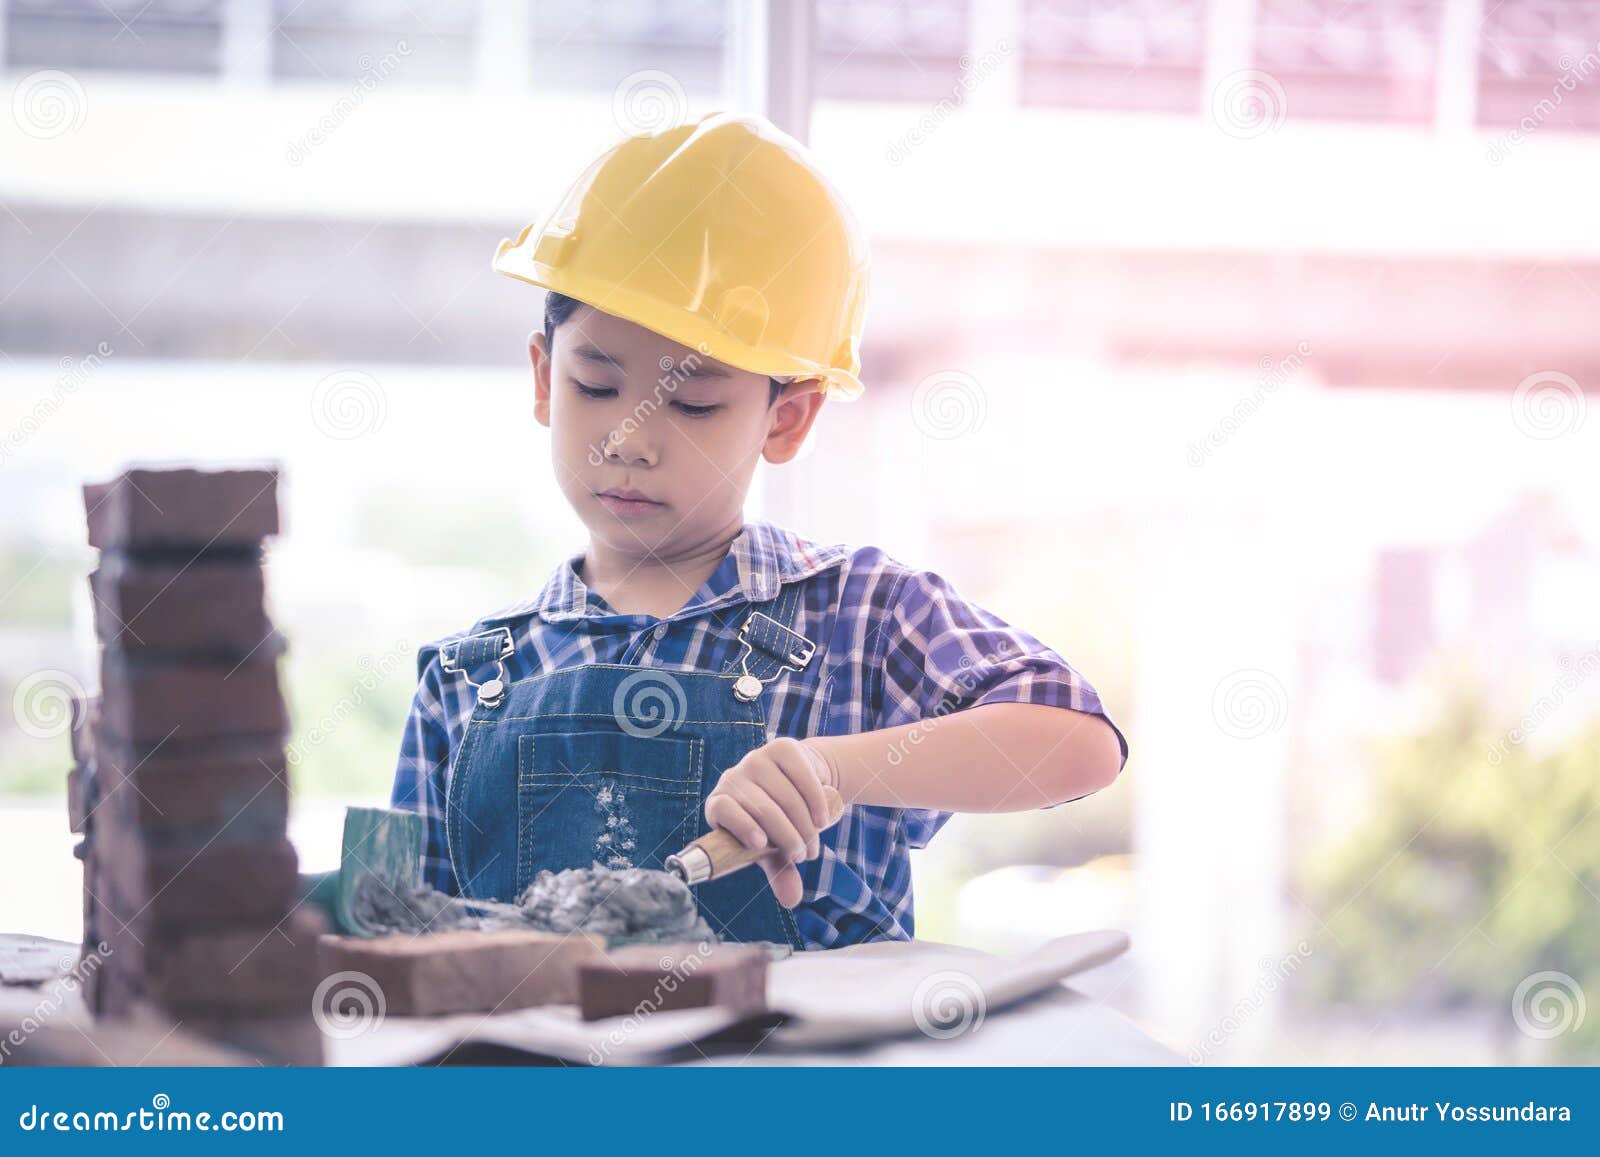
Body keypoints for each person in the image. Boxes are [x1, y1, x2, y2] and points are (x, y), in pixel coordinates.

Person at [390, 111, 1127, 950]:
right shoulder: (464, 680)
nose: (629, 436)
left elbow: (1078, 742)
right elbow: (411, 955)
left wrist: (836, 768)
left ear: (787, 419)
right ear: (541, 377)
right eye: (594, 386)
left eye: (694, 402)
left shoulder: (862, 617)